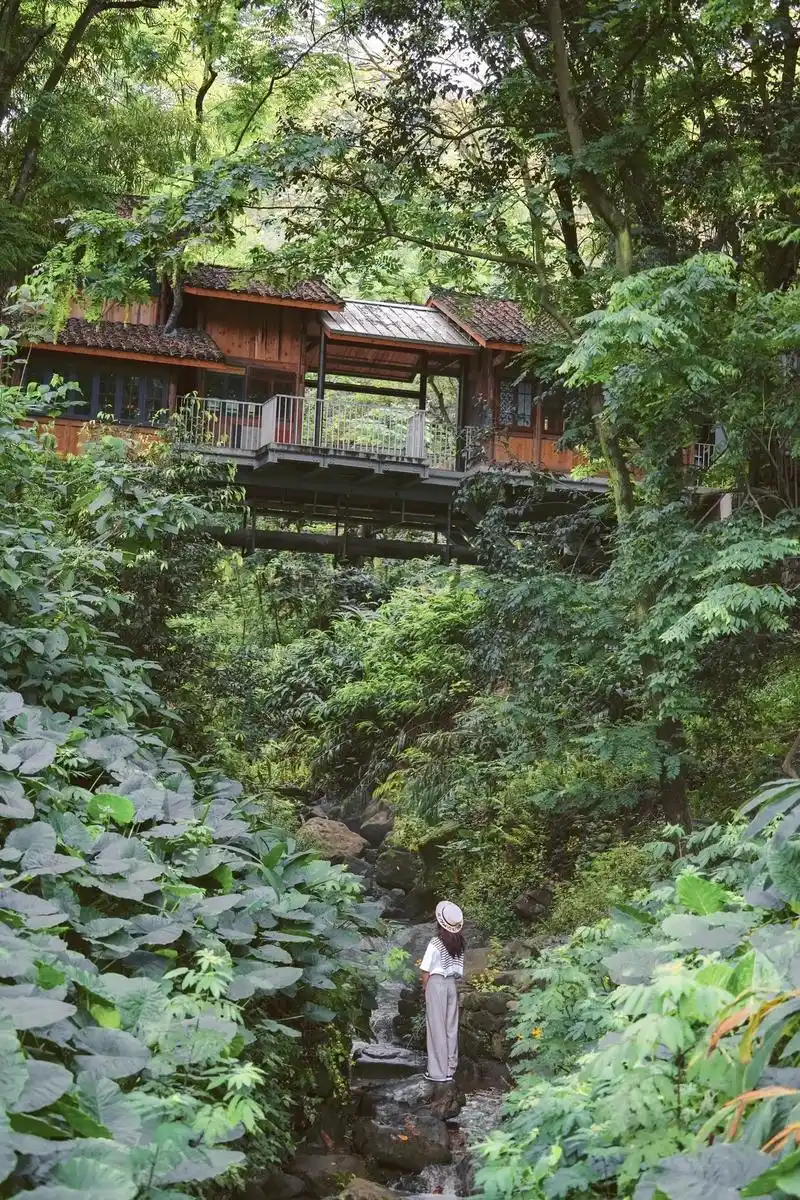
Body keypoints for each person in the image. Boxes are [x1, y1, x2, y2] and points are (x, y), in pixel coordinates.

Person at [419, 900, 465, 1083]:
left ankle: (437, 1073)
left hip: (436, 984)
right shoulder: (459, 943)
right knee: (451, 1026)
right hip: (451, 985)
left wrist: (425, 988)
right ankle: (449, 1070)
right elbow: (459, 971)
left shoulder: (435, 942)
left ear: (440, 922)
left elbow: (425, 969)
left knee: (436, 1027)